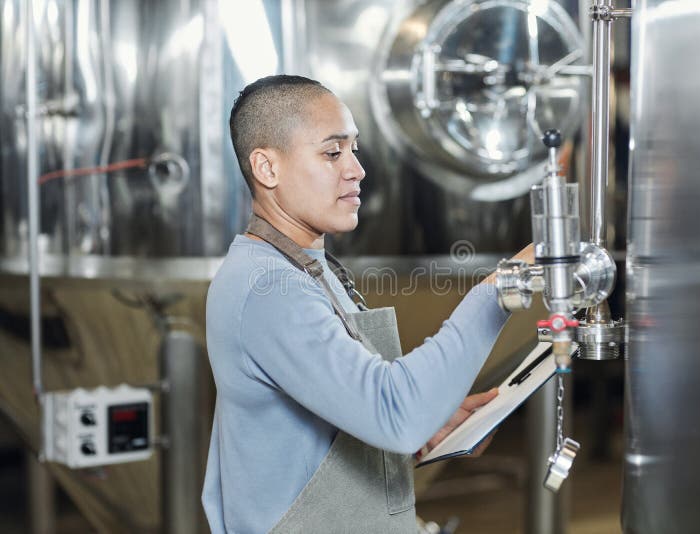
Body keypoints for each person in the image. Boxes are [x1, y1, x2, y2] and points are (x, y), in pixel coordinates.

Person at [201, 74, 533, 533]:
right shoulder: (266, 289)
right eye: (332, 152)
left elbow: (350, 413)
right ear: (267, 168)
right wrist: (501, 291)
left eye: (354, 149)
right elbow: (393, 413)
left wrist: (430, 424)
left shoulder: (307, 268)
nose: (356, 169)